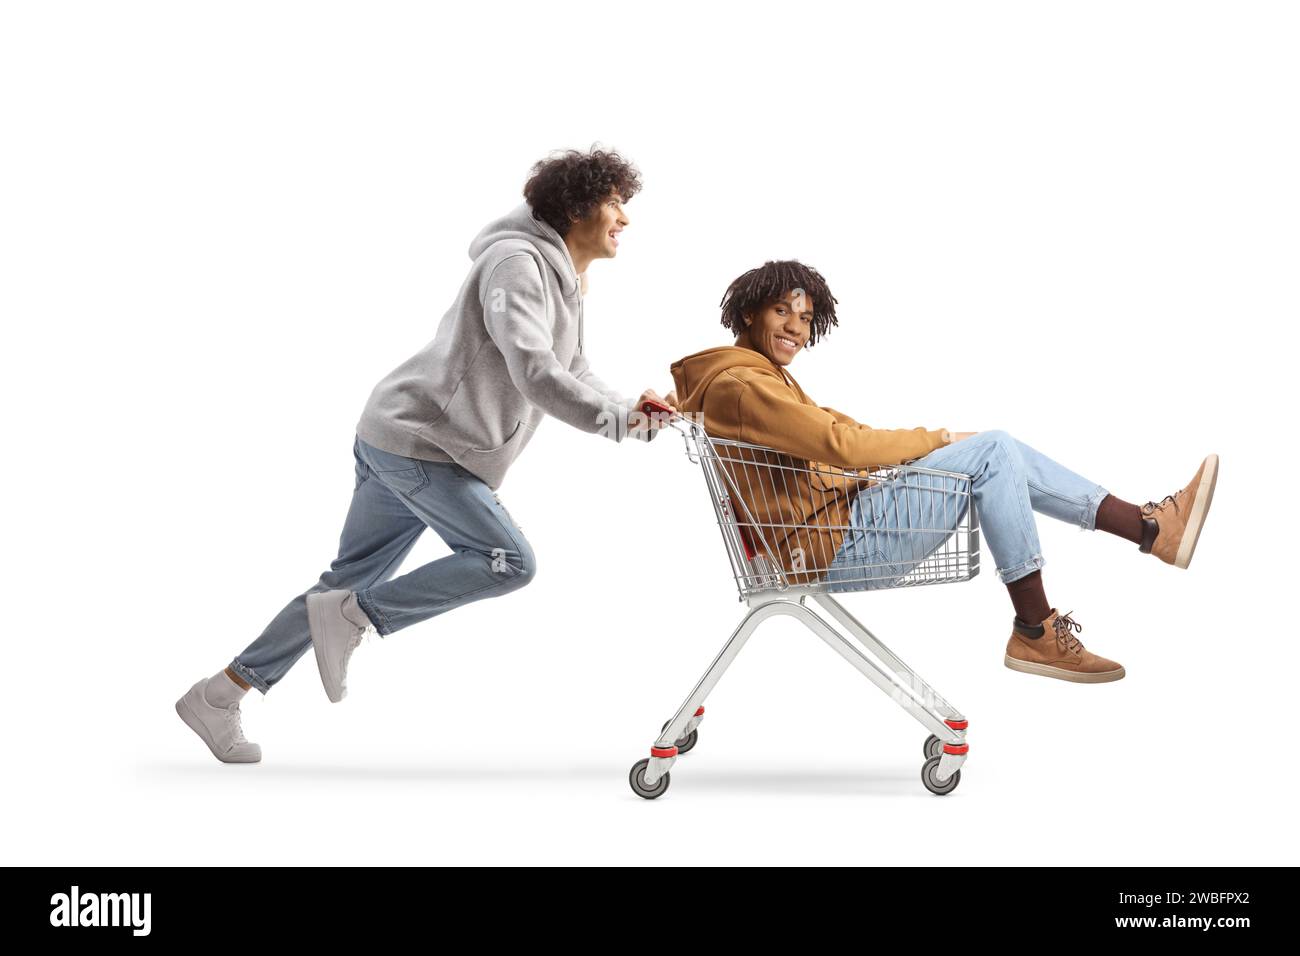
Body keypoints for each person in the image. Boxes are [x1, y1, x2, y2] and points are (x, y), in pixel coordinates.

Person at [177, 146, 674, 762]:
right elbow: (534, 372)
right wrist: (619, 424)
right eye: (615, 203)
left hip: (407, 439)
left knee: (341, 585)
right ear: (576, 207)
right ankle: (358, 615)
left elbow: (572, 367)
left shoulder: (568, 277)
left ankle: (219, 696)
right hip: (422, 446)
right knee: (507, 561)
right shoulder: (517, 264)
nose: (625, 218)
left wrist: (631, 410)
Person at [667, 260, 1217, 684]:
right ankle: (1040, 622)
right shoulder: (744, 385)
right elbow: (841, 445)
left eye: (807, 318)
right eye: (782, 311)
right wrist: (942, 439)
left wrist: (925, 449)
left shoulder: (753, 379)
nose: (796, 328)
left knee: (996, 451)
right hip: (836, 545)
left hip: (837, 530)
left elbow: (842, 429)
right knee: (993, 448)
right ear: (748, 313)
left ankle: (1149, 530)